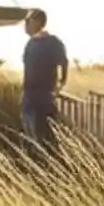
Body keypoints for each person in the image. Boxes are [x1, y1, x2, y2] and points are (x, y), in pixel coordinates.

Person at [21, 8, 68, 148]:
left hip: (44, 97)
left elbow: (64, 63)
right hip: (29, 97)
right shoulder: (30, 44)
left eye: (28, 21)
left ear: (37, 22)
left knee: (46, 138)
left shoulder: (53, 43)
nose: (25, 24)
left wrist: (61, 84)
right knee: (31, 139)